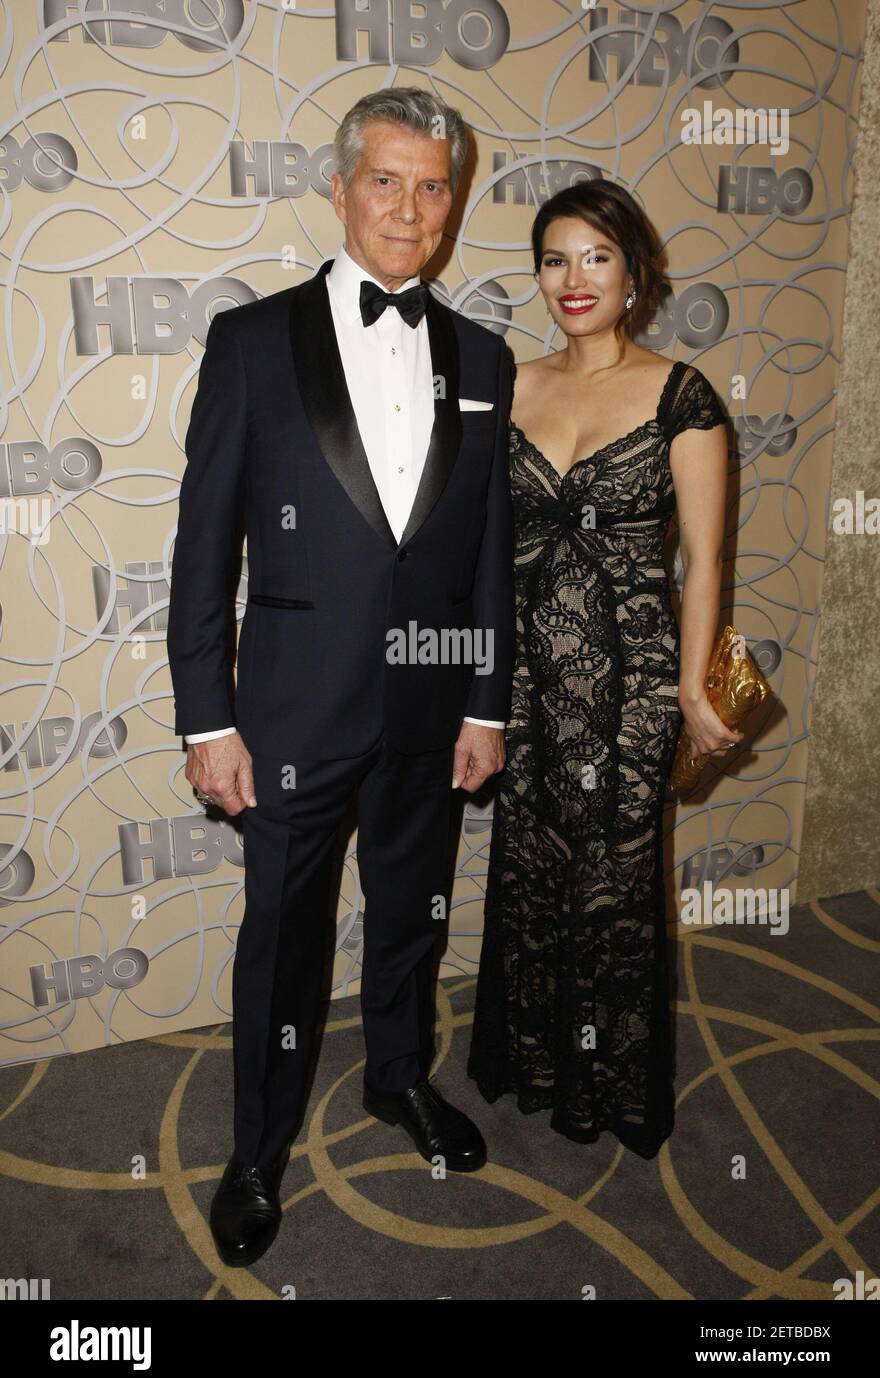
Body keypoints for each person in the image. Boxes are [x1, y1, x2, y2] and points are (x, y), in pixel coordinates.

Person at [166, 87, 516, 1266]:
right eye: (385, 180)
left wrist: (484, 701)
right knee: (284, 936)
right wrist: (206, 719)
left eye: (432, 187)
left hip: (431, 700)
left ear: (452, 203)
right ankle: (258, 1149)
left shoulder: (484, 356)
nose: (408, 210)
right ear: (339, 188)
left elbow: (485, 552)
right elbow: (204, 546)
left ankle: (398, 1076)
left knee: (412, 913)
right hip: (290, 709)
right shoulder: (252, 341)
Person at [467, 179, 742, 1159]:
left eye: (595, 257)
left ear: (633, 273)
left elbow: (703, 561)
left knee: (614, 886)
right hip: (526, 682)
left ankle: (611, 1089)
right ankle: (535, 1064)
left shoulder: (681, 395)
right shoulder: (509, 384)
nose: (573, 279)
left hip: (632, 684)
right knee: (532, 871)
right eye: (554, 259)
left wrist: (694, 690)